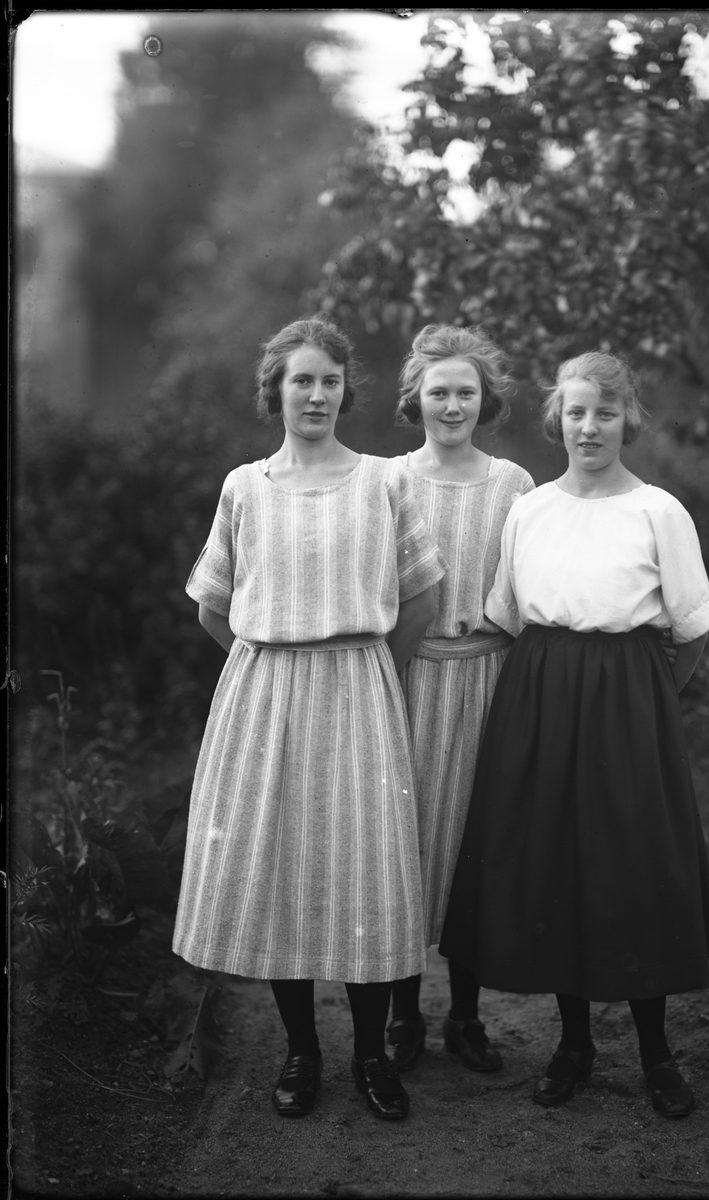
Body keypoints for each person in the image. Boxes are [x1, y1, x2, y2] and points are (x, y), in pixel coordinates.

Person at [173, 315, 445, 1122]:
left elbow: (422, 599)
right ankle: (302, 1053)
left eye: (329, 379)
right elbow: (214, 609)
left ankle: (370, 1057)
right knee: (282, 872)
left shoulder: (383, 482)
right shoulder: (244, 487)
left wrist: (370, 672)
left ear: (344, 391)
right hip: (267, 695)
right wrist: (264, 670)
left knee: (361, 870)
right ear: (276, 392)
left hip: (359, 687)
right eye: (301, 380)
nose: (317, 394)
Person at [439, 350, 709, 1118]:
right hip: (539, 697)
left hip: (629, 700)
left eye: (603, 412)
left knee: (631, 867)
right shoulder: (530, 509)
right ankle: (574, 1047)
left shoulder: (657, 511)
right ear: (555, 420)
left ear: (626, 418)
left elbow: (692, 630)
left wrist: (647, 703)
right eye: (575, 412)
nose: (588, 427)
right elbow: (503, 617)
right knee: (560, 867)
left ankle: (657, 1054)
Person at [386, 325, 535, 1075]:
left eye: (464, 392)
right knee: (404, 841)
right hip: (407, 678)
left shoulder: (512, 485)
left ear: (486, 401)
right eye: (438, 391)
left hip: (486, 678)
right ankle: (402, 1012)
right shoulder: (385, 480)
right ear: (415, 398)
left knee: (477, 844)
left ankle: (466, 1016)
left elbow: (528, 589)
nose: (451, 405)